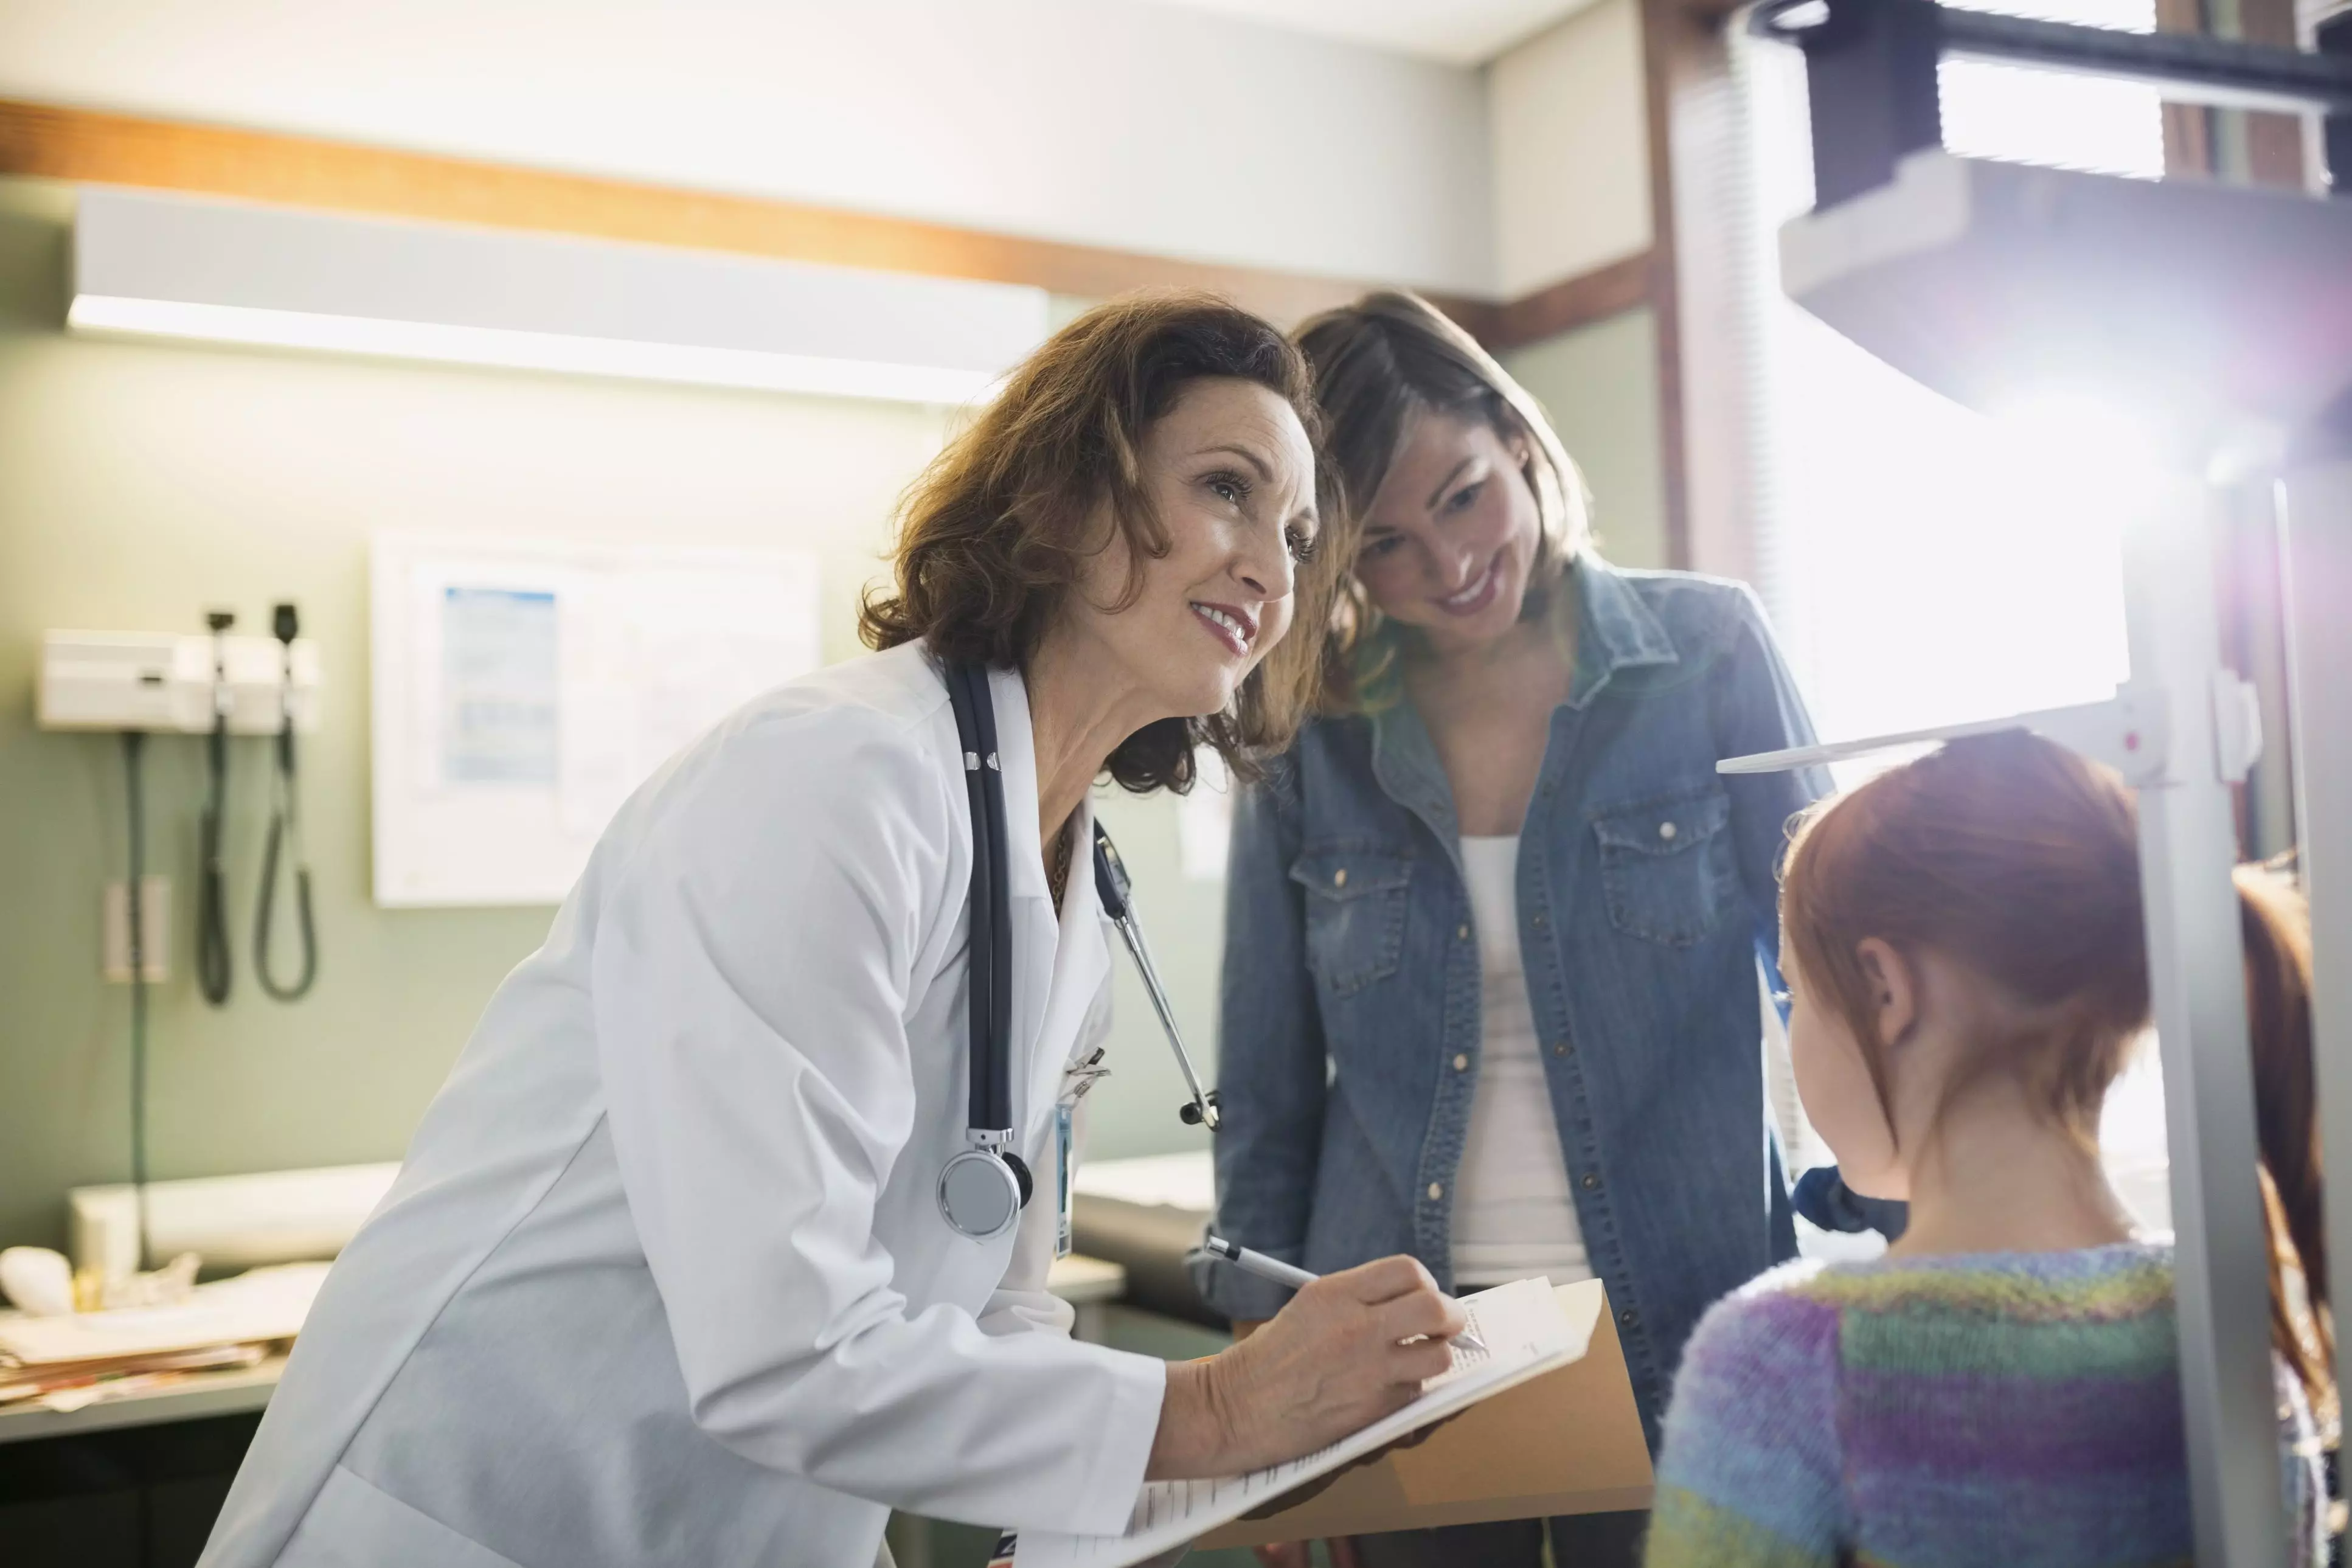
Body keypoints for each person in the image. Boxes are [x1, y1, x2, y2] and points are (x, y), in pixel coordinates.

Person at [198, 293, 1468, 1568]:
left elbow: (996, 1295)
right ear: (1070, 496)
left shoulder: (1064, 871)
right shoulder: (827, 780)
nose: (1272, 567)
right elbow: (785, 1346)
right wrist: (1213, 1406)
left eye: (1298, 534)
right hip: (481, 1507)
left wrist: (1119, 1497)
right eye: (1227, 489)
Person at [1197, 291, 1835, 1568]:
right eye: (1381, 543)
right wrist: (1258, 1391)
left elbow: (1840, 971)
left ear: (1516, 434)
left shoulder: (1708, 649)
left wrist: (1902, 1230)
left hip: (1684, 1320)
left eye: (1463, 496)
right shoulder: (1308, 730)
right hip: (1403, 1346)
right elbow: (1266, 1091)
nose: (1445, 566)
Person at [1646, 732, 2331, 1566]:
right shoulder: (2233, 1333)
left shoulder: (1783, 1363)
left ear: (1885, 990)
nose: (1789, 1027)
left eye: (1793, 991)